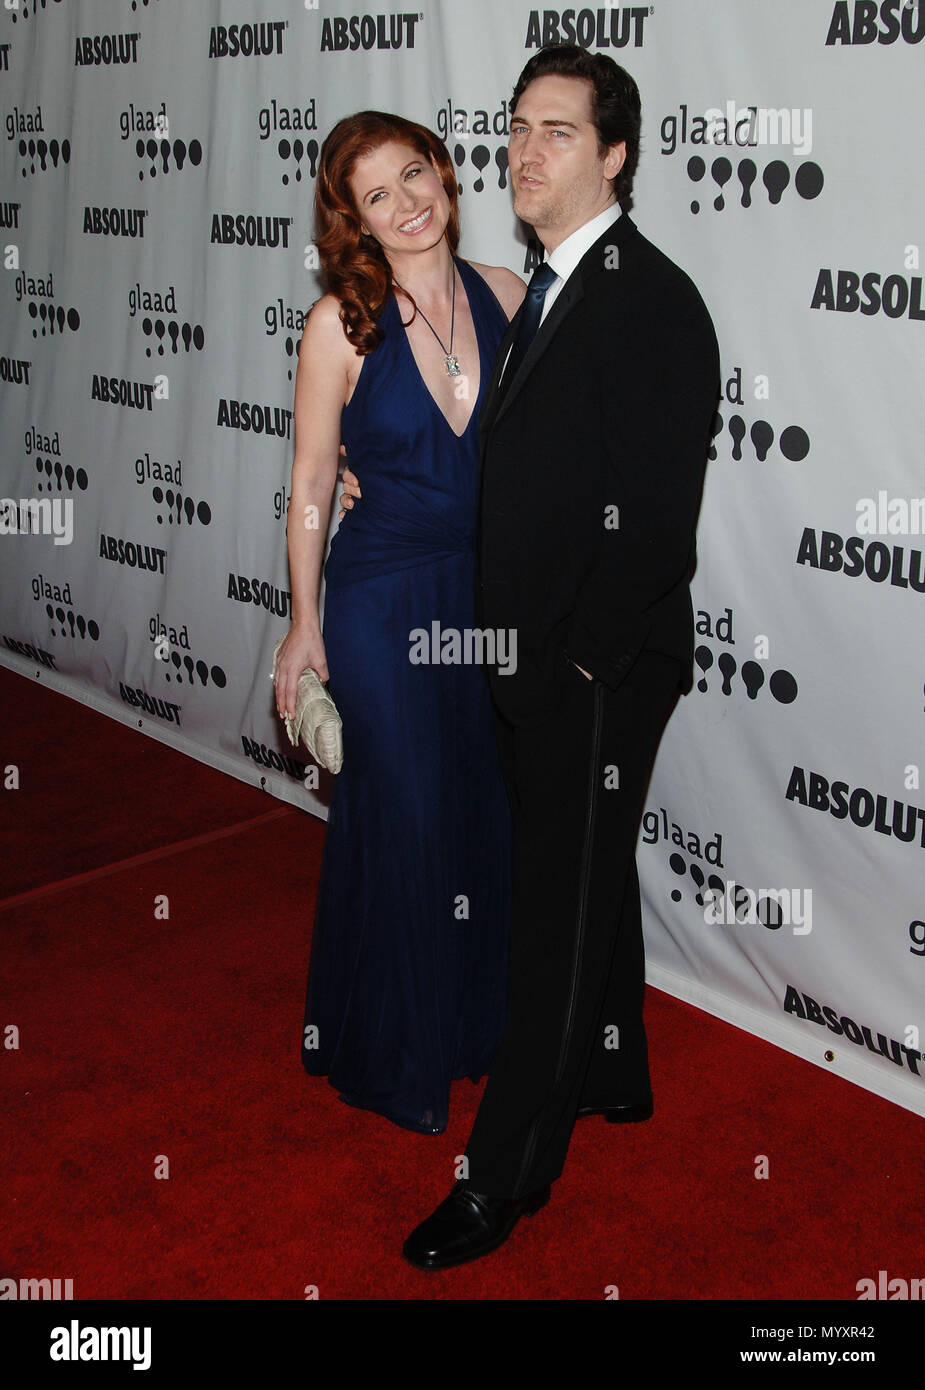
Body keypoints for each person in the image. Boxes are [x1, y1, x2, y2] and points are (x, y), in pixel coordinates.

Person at [391, 45, 720, 1263]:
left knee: (551, 912)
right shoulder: (557, 283)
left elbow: (654, 524)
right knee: (586, 872)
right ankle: (617, 1069)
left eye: (558, 133)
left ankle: (504, 1174)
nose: (524, 152)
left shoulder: (649, 300)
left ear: (616, 154)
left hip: (598, 664)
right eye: (517, 128)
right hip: (541, 653)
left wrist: (574, 668)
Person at [275, 111, 527, 1135]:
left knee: (482, 805)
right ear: (355, 222)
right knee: (409, 809)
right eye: (376, 193)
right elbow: (305, 482)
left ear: (445, 176)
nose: (406, 201)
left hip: (489, 595)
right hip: (383, 595)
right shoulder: (340, 324)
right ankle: (396, 1044)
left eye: (413, 173)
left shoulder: (510, 297)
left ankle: (478, 1029)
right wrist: (302, 626)